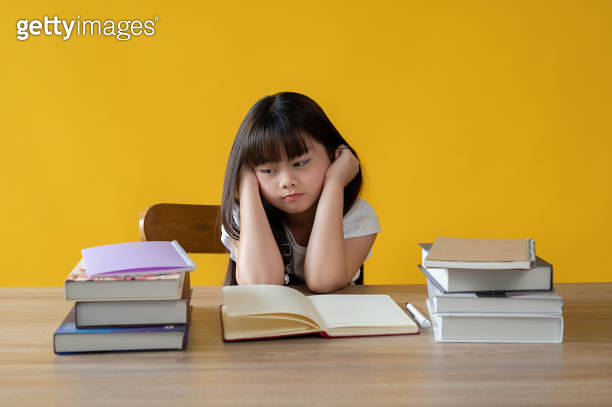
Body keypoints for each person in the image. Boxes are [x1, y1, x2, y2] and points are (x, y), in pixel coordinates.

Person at [220, 92, 381, 293]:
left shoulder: (357, 216)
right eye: (268, 170)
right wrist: (245, 185)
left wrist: (334, 183)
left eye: (300, 163)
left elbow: (323, 280)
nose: (287, 181)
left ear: (333, 155)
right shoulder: (242, 215)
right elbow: (260, 286)